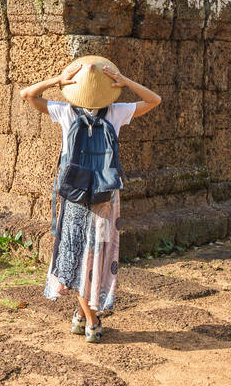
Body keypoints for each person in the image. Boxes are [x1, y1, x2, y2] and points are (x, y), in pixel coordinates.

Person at [19, 55, 161, 343]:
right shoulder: (116, 112)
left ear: (76, 88)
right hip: (106, 197)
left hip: (74, 195)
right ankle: (90, 319)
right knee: (95, 255)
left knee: (78, 254)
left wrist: (56, 82)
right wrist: (127, 83)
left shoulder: (65, 112)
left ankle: (85, 317)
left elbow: (27, 94)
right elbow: (154, 100)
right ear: (108, 88)